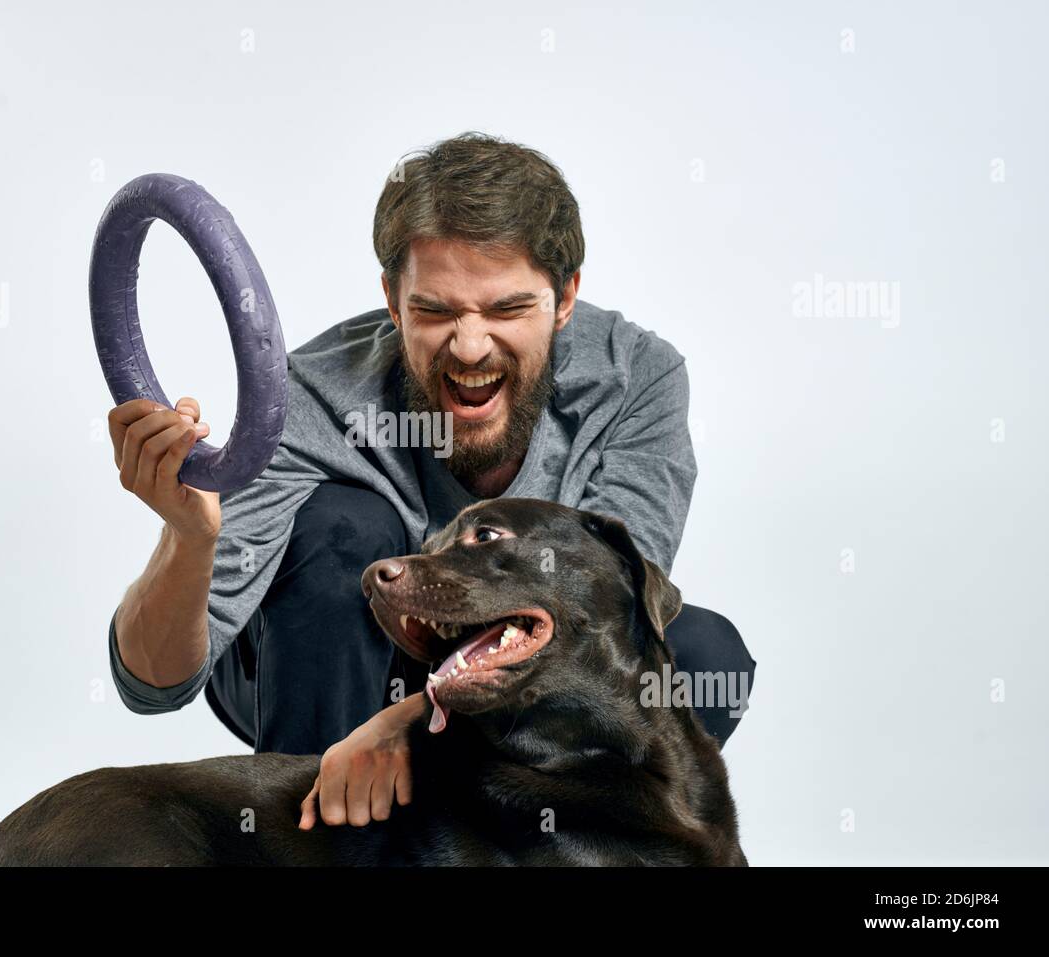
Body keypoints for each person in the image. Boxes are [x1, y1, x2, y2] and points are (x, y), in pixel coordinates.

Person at [105, 131, 756, 831]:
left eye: (507, 310)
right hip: (320, 661)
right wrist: (189, 538)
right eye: (436, 310)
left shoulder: (640, 380)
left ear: (564, 298)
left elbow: (607, 611)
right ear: (392, 299)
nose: (470, 346)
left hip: (508, 669)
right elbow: (153, 683)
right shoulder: (310, 400)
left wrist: (408, 720)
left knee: (699, 653)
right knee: (343, 527)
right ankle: (315, 837)